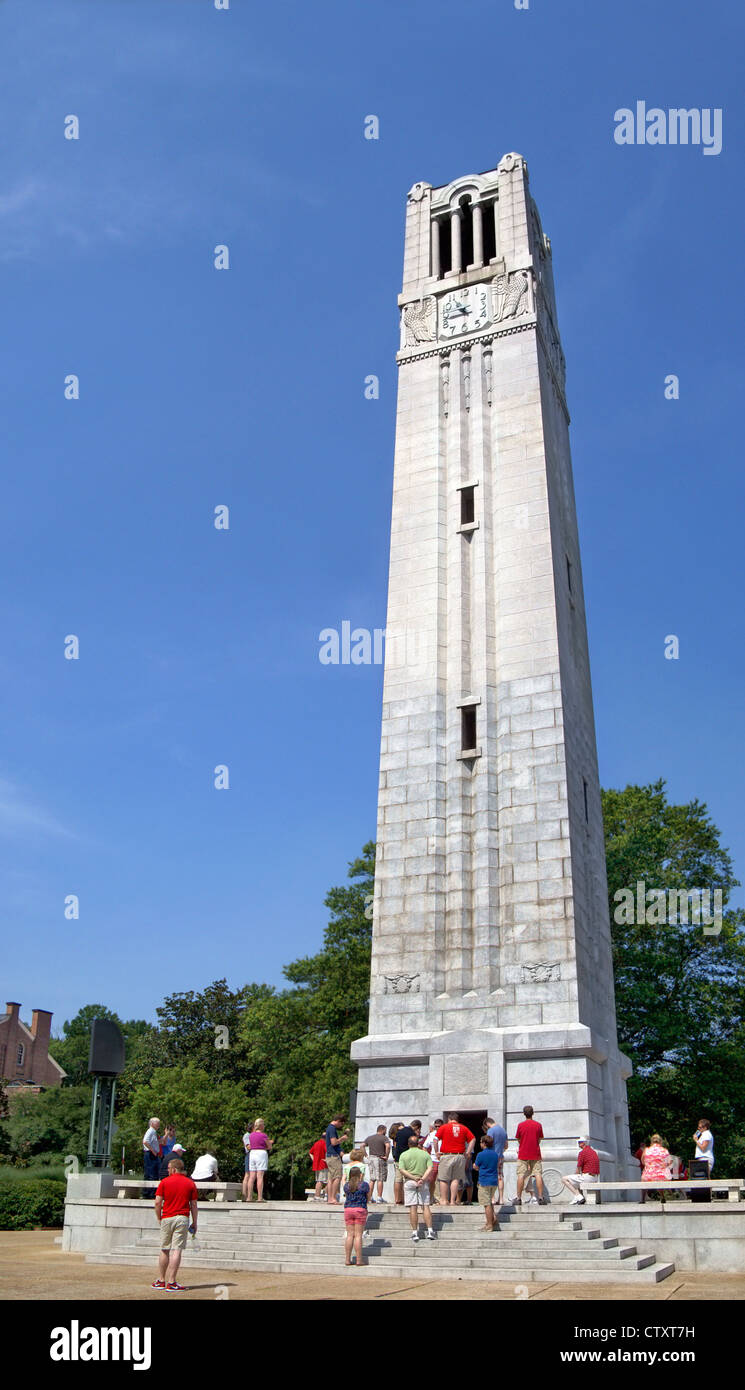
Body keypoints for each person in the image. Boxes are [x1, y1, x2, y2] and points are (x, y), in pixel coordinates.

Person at [152, 1156, 199, 1293]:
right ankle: (171, 1282)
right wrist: (195, 1222)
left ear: (173, 1169)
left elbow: (157, 1202)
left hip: (167, 1217)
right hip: (182, 1217)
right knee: (177, 1249)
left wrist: (159, 1217)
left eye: (168, 1169)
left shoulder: (164, 1182)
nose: (167, 1171)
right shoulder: (190, 1183)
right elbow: (194, 1205)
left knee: (164, 1249)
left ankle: (161, 1280)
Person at [398, 1135, 435, 1241]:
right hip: (422, 1182)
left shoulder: (404, 1155)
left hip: (410, 1181)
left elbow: (402, 1169)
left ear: (408, 1144)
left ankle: (415, 1232)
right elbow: (430, 1168)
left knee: (413, 1207)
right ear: (418, 1143)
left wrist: (414, 1178)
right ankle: (430, 1231)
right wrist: (422, 1179)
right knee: (425, 1206)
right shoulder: (425, 1154)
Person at [436, 1113, 475, 1206]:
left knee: (444, 1179)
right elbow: (473, 1139)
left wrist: (437, 1151)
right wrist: (468, 1152)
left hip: (446, 1155)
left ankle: (444, 1200)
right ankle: (453, 1201)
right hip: (459, 1156)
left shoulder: (444, 1127)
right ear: (457, 1120)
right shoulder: (464, 1128)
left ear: (449, 1119)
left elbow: (435, 1138)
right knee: (456, 1179)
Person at [515, 1105, 545, 1206]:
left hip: (523, 1153)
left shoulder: (520, 1125)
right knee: (538, 1174)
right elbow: (539, 1139)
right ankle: (540, 1197)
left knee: (520, 1175)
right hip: (535, 1153)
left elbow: (519, 1139)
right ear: (533, 1113)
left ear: (524, 1114)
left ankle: (518, 1198)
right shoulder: (538, 1125)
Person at [342, 1165, 370, 1267]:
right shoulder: (364, 1185)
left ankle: (347, 1259)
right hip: (360, 1209)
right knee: (358, 1235)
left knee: (350, 1235)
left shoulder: (346, 1185)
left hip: (348, 1209)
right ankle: (359, 1260)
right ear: (360, 1174)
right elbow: (368, 1198)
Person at [473, 1135, 501, 1232]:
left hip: (484, 1181)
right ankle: (493, 1219)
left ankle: (489, 1225)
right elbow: (497, 1165)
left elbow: (476, 1166)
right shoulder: (495, 1154)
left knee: (486, 1204)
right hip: (494, 1181)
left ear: (484, 1143)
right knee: (489, 1201)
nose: (480, 1144)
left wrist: (476, 1166)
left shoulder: (480, 1155)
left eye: (481, 1142)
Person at [561, 1136, 600, 1204]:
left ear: (584, 1143)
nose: (579, 1144)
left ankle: (579, 1196)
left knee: (564, 1179)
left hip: (587, 1178)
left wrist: (574, 1175)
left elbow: (578, 1168)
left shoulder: (582, 1152)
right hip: (595, 1178)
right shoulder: (593, 1152)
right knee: (575, 1179)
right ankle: (578, 1197)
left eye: (580, 1142)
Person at [243, 1118, 273, 1203]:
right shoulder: (263, 1135)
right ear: (261, 1126)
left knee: (251, 1176)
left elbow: (250, 1146)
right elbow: (269, 1146)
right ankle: (259, 1197)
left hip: (252, 1154)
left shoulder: (251, 1135)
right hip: (261, 1153)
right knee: (260, 1176)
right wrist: (267, 1145)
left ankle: (249, 1197)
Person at [325, 1114, 349, 1207]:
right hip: (333, 1157)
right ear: (338, 1121)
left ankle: (330, 1198)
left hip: (330, 1155)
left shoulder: (329, 1128)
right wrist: (342, 1139)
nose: (341, 1126)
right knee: (337, 1177)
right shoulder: (332, 1129)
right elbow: (334, 1142)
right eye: (341, 1124)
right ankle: (333, 1198)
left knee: (331, 1178)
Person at [641, 1134, 673, 1203]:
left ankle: (643, 1199)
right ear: (660, 1141)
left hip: (648, 1176)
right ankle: (663, 1196)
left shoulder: (646, 1150)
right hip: (662, 1176)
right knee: (661, 1173)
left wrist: (650, 1166)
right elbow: (670, 1162)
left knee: (644, 1174)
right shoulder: (665, 1150)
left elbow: (643, 1162)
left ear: (651, 1141)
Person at [392, 1120, 418, 1205]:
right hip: (408, 1158)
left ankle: (397, 1199)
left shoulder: (399, 1132)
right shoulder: (411, 1133)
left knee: (397, 1179)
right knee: (408, 1178)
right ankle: (407, 1199)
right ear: (416, 1127)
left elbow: (395, 1144)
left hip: (398, 1158)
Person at [364, 1125, 391, 1203]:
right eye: (385, 1130)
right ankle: (379, 1197)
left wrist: (366, 1155)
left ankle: (369, 1198)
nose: (386, 1132)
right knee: (380, 1179)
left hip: (371, 1158)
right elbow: (388, 1146)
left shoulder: (370, 1138)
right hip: (379, 1158)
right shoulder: (384, 1138)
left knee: (372, 1179)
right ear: (382, 1130)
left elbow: (362, 1146)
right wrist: (386, 1156)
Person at [486, 1116, 508, 1205]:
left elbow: (488, 1143)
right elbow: (506, 1146)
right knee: (500, 1177)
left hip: (492, 1156)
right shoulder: (503, 1130)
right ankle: (501, 1199)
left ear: (487, 1124)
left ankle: (492, 1199)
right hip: (500, 1156)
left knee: (491, 1177)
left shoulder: (490, 1131)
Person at [423, 1120, 442, 1203]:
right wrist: (428, 1157)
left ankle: (439, 1199)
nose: (437, 1128)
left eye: (439, 1126)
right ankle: (431, 1198)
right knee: (431, 1180)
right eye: (436, 1126)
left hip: (443, 1159)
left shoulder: (445, 1133)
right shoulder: (431, 1135)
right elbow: (424, 1147)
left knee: (441, 1180)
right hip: (433, 1159)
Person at [142, 1117, 161, 1198]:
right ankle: (149, 1193)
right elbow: (145, 1141)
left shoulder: (154, 1132)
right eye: (157, 1123)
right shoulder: (150, 1131)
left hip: (153, 1154)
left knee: (155, 1173)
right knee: (151, 1174)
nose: (159, 1125)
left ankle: (152, 1192)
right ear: (152, 1123)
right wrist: (152, 1150)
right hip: (150, 1154)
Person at [309, 1131, 328, 1201]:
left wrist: (314, 1160)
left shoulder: (316, 1143)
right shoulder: (325, 1144)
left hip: (316, 1165)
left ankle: (318, 1195)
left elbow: (310, 1153)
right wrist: (327, 1160)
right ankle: (321, 1196)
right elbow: (328, 1153)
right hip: (323, 1165)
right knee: (325, 1181)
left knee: (318, 1180)